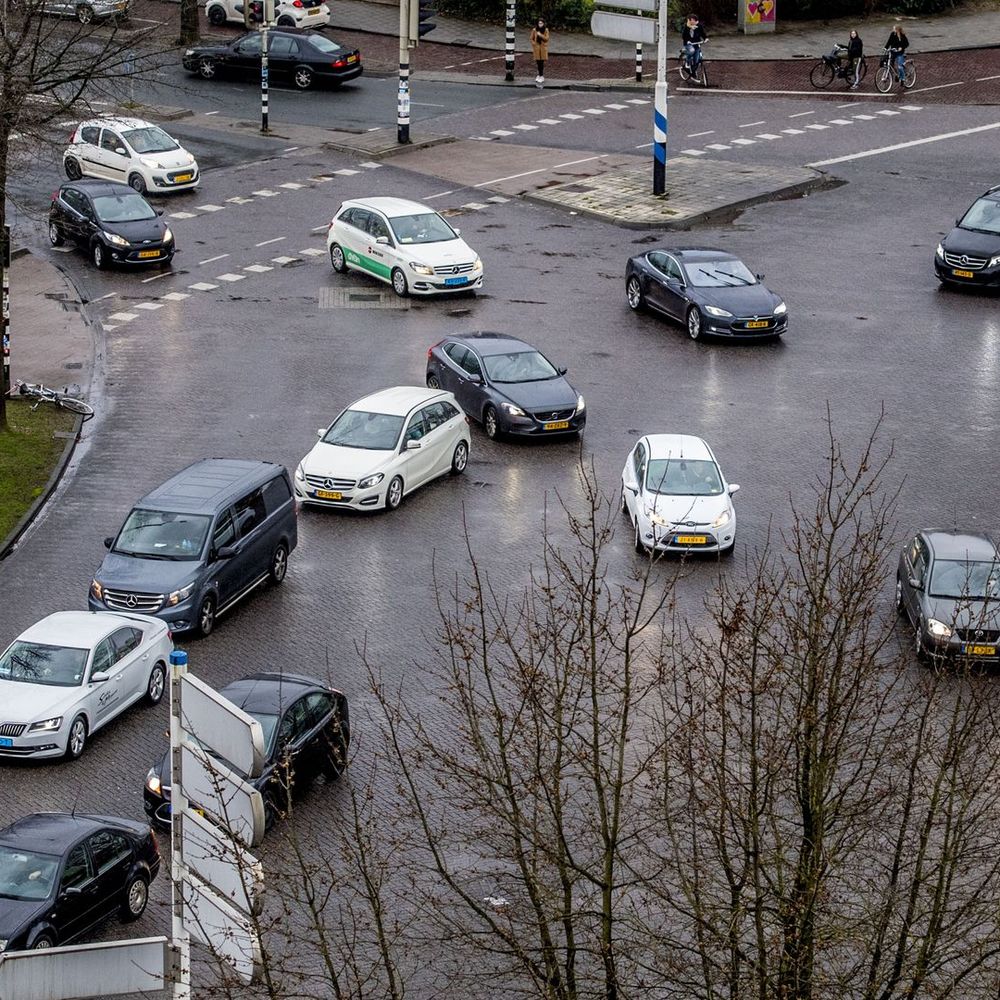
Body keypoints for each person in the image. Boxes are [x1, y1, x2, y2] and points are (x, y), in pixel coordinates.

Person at [531, 19, 550, 87]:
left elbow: (547, 39)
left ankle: (541, 76)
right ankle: (539, 75)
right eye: (539, 23)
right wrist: (534, 44)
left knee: (541, 62)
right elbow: (531, 38)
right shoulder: (534, 30)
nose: (540, 25)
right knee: (538, 62)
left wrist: (540, 35)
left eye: (541, 23)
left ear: (544, 24)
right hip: (537, 49)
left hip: (542, 49)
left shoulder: (546, 30)